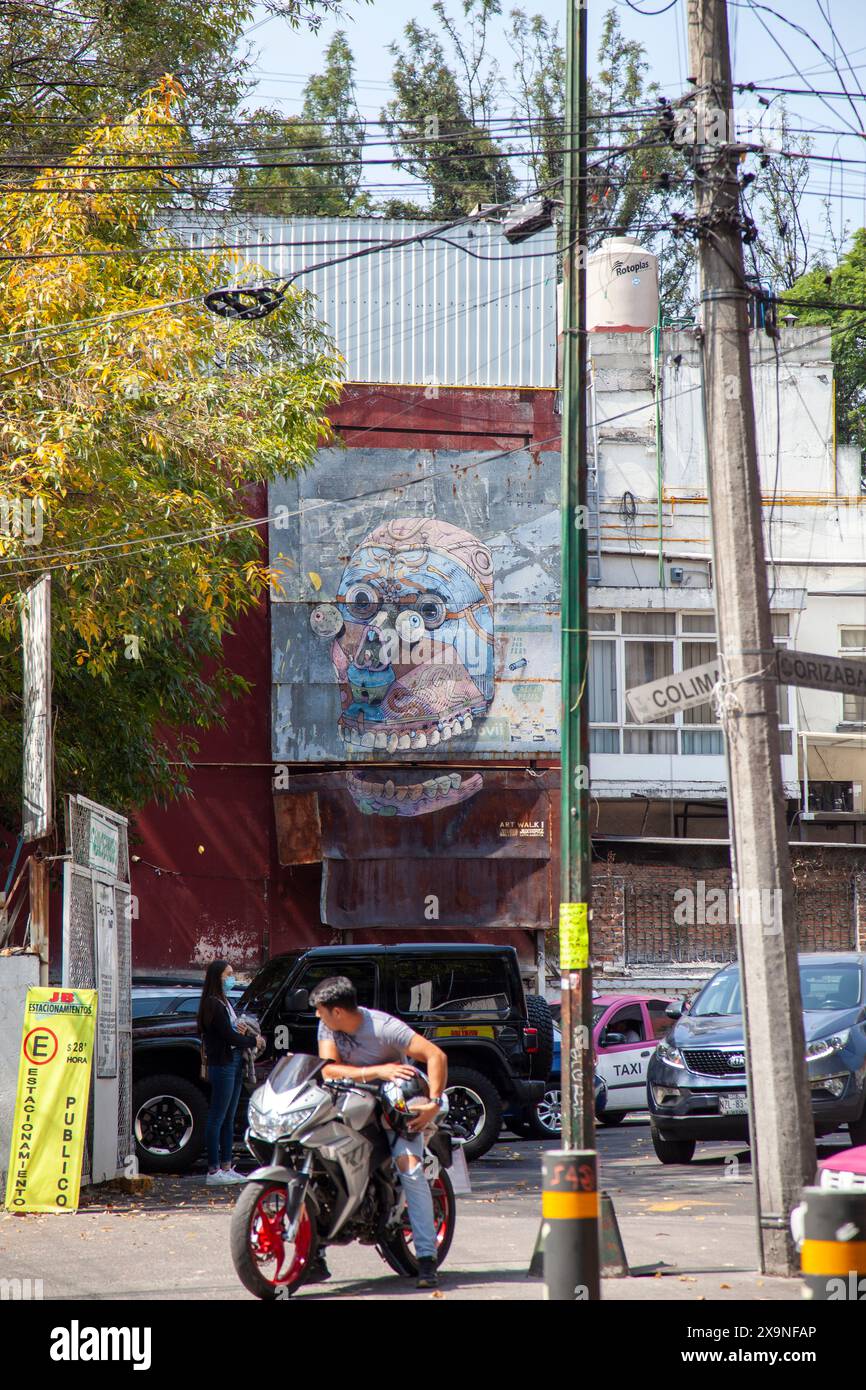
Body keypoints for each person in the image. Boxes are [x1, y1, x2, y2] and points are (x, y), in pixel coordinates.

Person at [310, 975, 448, 1289]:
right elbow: (328, 1068)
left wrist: (434, 1104)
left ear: (338, 1012)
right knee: (319, 1165)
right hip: (349, 1103)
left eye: (321, 1010)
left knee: (410, 1169)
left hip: (394, 1107)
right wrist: (374, 1071)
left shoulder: (384, 1027)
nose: (317, 1015)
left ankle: (427, 1260)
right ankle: (314, 1253)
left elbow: (436, 1056)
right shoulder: (328, 1025)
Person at [198, 960, 258, 1186]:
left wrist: (245, 1036)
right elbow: (229, 1036)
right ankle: (213, 1170)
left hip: (233, 1061)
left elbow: (235, 1032)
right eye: (229, 974)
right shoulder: (213, 1004)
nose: (233, 978)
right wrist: (252, 1039)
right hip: (222, 1063)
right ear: (218, 977)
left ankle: (226, 1165)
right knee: (217, 1116)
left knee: (229, 1117)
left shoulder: (225, 1003)